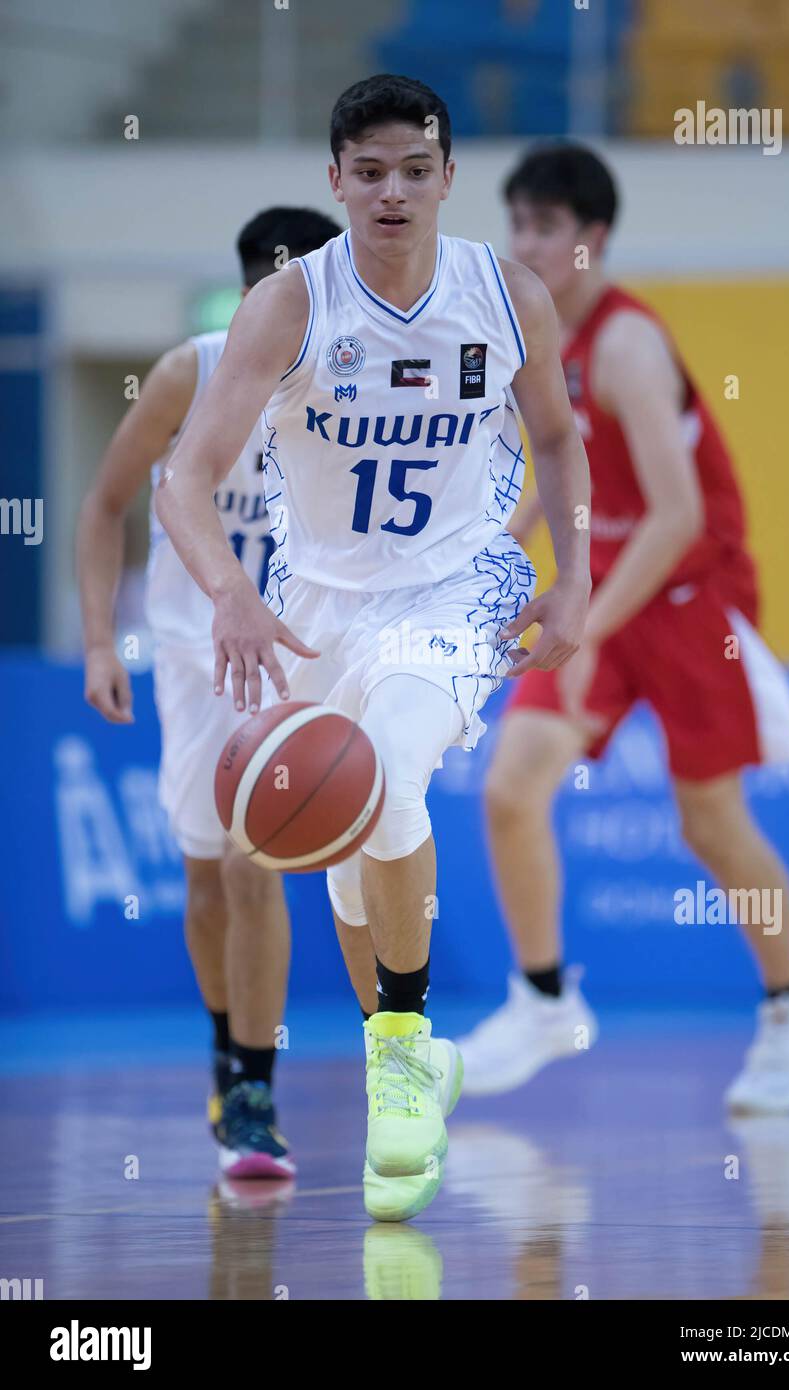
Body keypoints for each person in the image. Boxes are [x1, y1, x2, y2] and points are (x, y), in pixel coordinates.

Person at [154, 74, 591, 1220]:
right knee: (348, 852)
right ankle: (406, 1056)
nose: (392, 191)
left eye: (414, 169)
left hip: (456, 588)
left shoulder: (506, 296)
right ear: (334, 181)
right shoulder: (289, 306)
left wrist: (576, 579)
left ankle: (397, 1055)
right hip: (320, 605)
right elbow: (184, 483)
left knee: (392, 770)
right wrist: (231, 593)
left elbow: (554, 436)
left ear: (448, 178)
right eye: (369, 171)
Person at [458, 143, 789, 1111]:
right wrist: (484, 562)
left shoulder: (628, 345)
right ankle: (544, 998)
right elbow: (556, 476)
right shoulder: (534, 341)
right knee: (510, 788)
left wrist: (582, 620)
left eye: (545, 227)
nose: (525, 244)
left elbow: (674, 515)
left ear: (589, 241)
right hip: (597, 592)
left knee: (709, 823)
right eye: (516, 224)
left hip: (687, 599)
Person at [78, 207, 342, 1179]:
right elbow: (106, 502)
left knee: (251, 863)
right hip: (192, 656)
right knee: (202, 878)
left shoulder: (348, 376)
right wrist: (102, 639)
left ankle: (254, 1087)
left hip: (290, 658)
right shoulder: (189, 373)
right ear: (250, 298)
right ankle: (227, 1041)